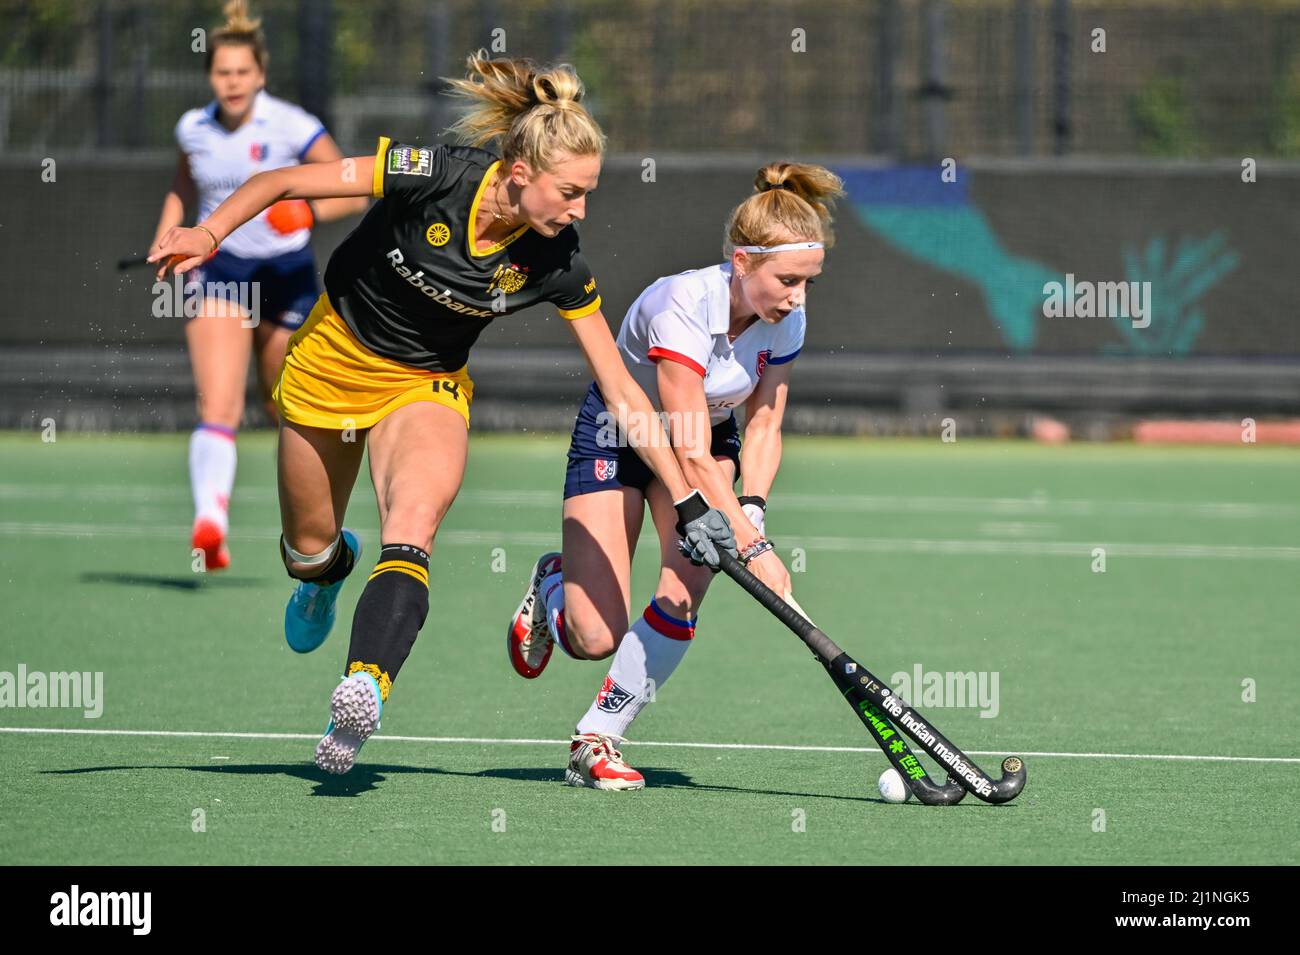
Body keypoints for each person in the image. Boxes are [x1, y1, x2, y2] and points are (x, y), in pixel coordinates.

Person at [150, 51, 737, 775]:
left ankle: (364, 685)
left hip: (425, 387)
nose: (581, 209)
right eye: (572, 191)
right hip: (328, 363)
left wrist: (686, 496)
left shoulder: (557, 259)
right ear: (520, 174)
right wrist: (206, 235)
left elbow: (621, 387)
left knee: (414, 526)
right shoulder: (435, 172)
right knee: (307, 546)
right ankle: (326, 573)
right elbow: (283, 181)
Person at [507, 162, 843, 789]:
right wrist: (755, 544)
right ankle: (556, 581)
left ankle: (597, 737)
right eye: (789, 280)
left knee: (685, 586)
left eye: (809, 282)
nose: (799, 297)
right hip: (623, 435)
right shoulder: (682, 303)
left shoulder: (787, 317)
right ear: (743, 263)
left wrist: (754, 510)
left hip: (709, 440)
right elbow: (682, 448)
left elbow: (765, 424)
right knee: (593, 634)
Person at [149, 0, 366, 570]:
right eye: (222, 72)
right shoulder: (192, 129)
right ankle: (210, 522)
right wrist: (168, 234)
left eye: (243, 72)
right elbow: (181, 187)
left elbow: (355, 191)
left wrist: (309, 215)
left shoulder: (293, 125)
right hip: (219, 274)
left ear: (260, 75)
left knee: (285, 407)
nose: (233, 82)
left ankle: (317, 531)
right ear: (210, 77)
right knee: (218, 403)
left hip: (287, 275)